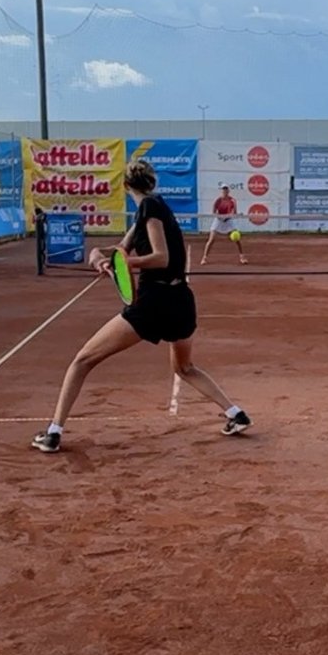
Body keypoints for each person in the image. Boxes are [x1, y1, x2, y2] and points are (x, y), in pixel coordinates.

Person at [32, 159, 252, 453]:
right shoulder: (150, 209)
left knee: (82, 361)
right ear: (153, 182)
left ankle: (53, 433)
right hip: (181, 301)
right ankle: (235, 414)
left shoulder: (149, 208)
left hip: (155, 303)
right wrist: (100, 254)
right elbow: (122, 249)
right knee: (184, 368)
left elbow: (159, 257)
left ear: (124, 186)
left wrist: (121, 262)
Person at [200, 184, 247, 265]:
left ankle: (242, 257)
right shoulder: (218, 200)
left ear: (228, 191)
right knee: (211, 240)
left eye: (226, 189)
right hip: (218, 221)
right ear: (221, 191)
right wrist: (220, 217)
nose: (224, 191)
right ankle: (204, 258)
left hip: (229, 221)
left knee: (237, 240)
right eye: (223, 189)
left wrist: (236, 215)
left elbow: (234, 212)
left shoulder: (233, 200)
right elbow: (214, 212)